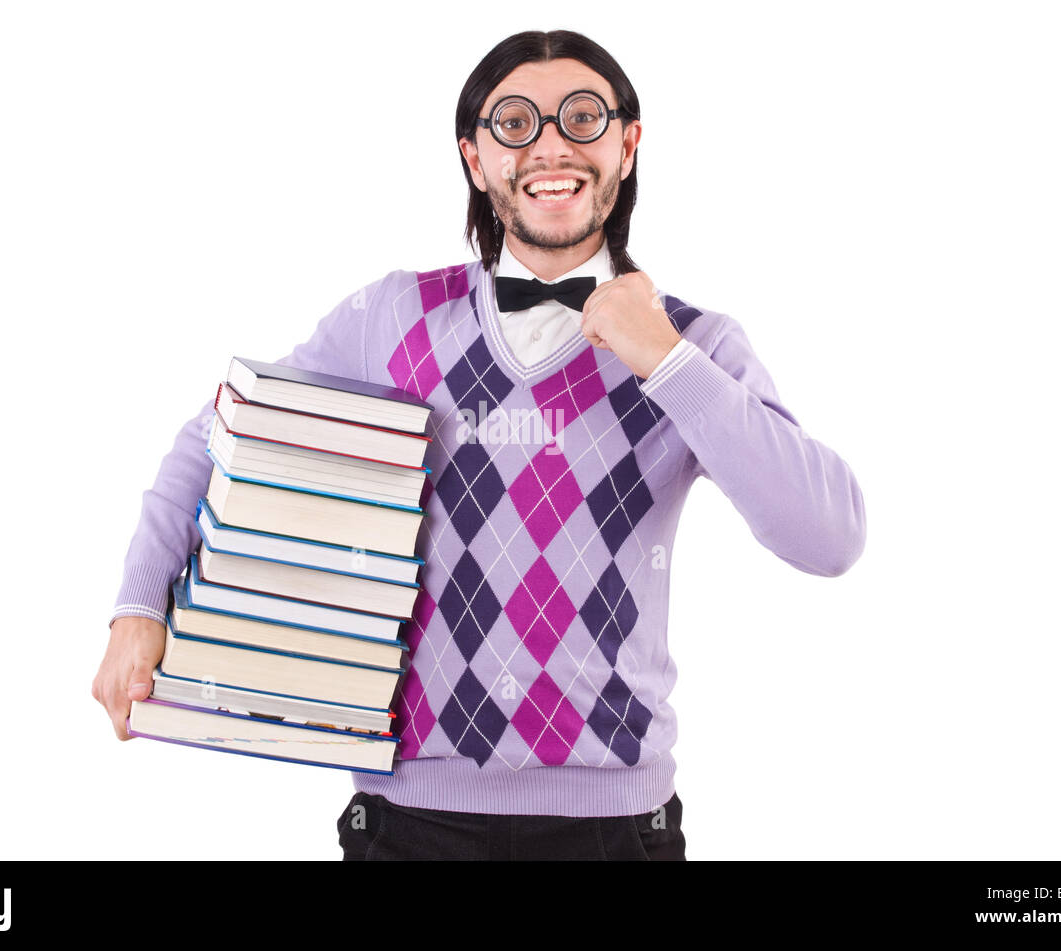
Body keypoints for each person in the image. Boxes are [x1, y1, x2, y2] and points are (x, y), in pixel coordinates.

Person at [91, 29, 867, 861]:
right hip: (405, 819)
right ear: (475, 158)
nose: (550, 146)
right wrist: (139, 605)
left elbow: (830, 537)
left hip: (616, 830)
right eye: (514, 124)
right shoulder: (395, 317)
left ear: (628, 144)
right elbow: (218, 428)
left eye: (582, 117)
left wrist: (666, 360)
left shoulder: (694, 343)